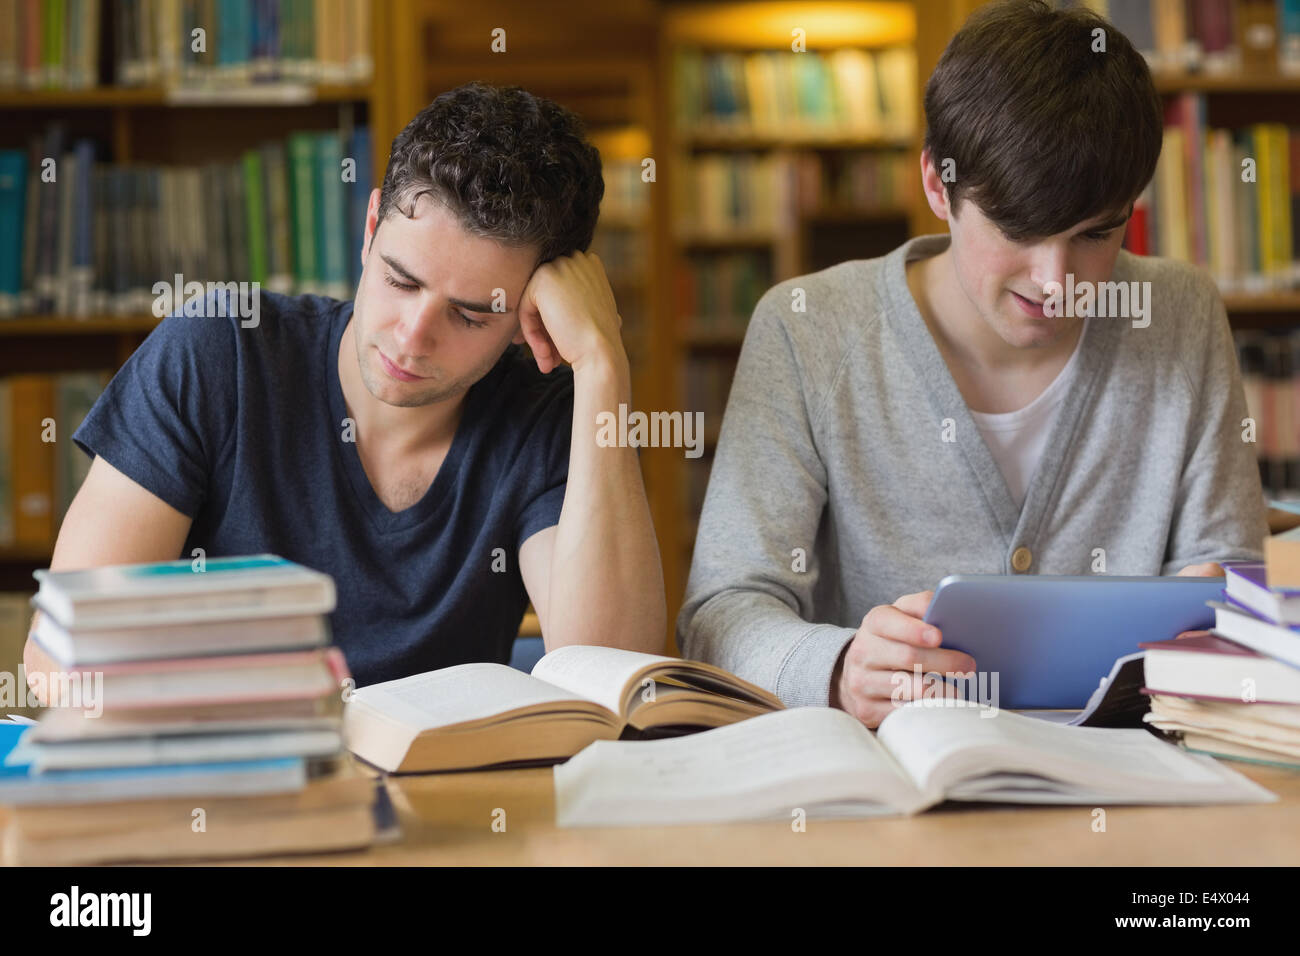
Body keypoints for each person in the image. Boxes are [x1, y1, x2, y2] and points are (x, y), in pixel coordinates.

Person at [677, 0, 1267, 727]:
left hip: (1135, 791)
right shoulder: (809, 330)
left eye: (1095, 233)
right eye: (1017, 228)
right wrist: (836, 671)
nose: (1057, 280)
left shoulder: (1179, 315)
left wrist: (1221, 609)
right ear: (937, 184)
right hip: (892, 794)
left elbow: (1231, 572)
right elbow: (721, 611)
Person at [25, 82, 665, 694]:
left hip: (441, 804)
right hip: (218, 788)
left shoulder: (544, 415)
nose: (412, 338)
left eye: (471, 315)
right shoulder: (219, 353)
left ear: (529, 320)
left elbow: (610, 679)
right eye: (400, 280)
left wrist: (603, 363)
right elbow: (61, 663)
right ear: (368, 232)